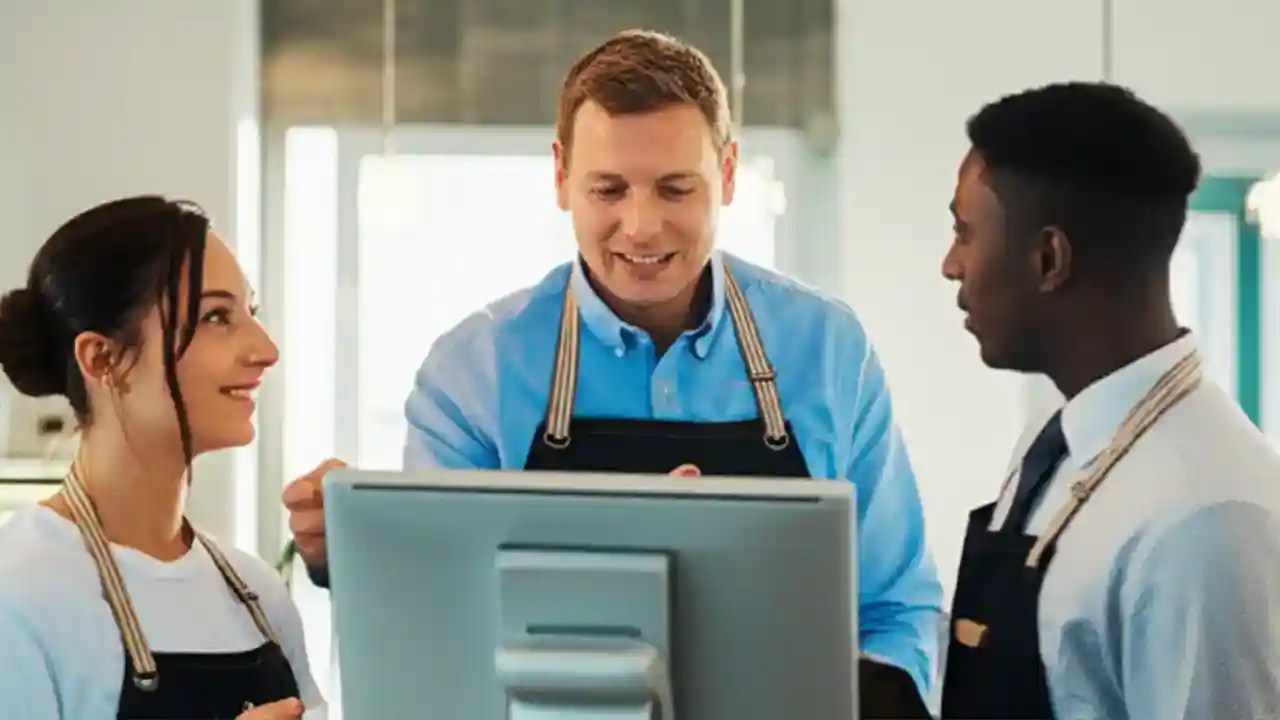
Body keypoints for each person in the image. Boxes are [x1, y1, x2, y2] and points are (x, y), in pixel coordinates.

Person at [285, 29, 942, 715]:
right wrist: (354, 549)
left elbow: (898, 607)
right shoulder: (472, 374)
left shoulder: (830, 351)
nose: (641, 226)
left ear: (729, 172)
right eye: (609, 189)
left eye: (674, 188)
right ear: (562, 176)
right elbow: (432, 624)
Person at [939, 81, 1280, 719]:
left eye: (964, 233)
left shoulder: (1204, 516)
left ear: (1048, 259)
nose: (950, 266)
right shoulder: (1056, 447)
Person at [0, 197, 326, 719]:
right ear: (102, 358)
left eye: (252, 312)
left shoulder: (257, 593)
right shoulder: (17, 592)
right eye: (217, 316)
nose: (265, 349)